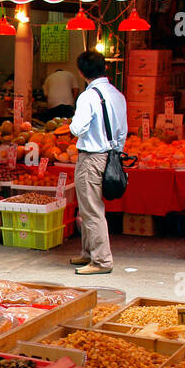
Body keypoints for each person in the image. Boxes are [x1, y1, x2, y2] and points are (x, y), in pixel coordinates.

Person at [69, 50, 127, 276]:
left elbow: (77, 128)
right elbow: (122, 130)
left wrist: (74, 125)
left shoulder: (88, 96)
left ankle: (101, 260)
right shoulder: (117, 95)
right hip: (111, 156)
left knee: (91, 210)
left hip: (92, 157)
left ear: (82, 71)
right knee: (88, 206)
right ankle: (88, 252)